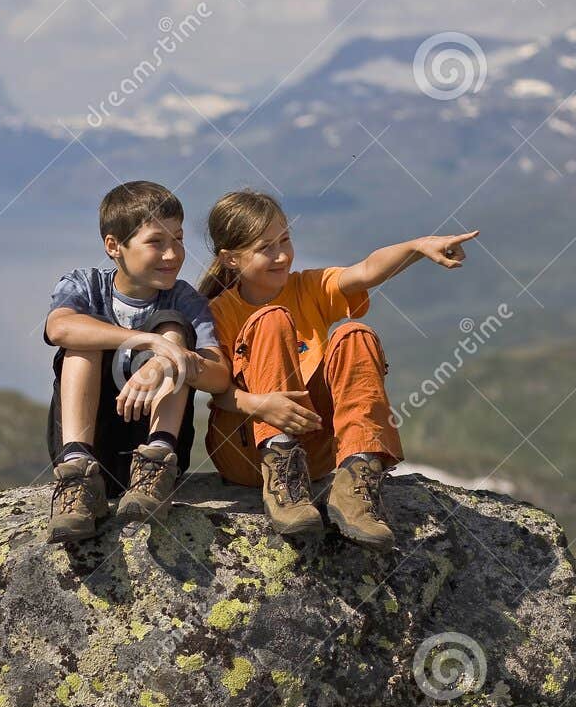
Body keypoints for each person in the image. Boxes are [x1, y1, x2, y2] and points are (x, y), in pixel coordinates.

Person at [198, 188, 479, 550]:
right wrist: (260, 405)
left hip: (313, 454)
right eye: (265, 247)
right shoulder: (218, 311)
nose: (282, 254)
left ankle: (356, 480)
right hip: (245, 451)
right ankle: (280, 471)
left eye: (285, 239)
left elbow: (365, 271)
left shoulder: (307, 287)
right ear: (231, 259)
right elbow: (215, 388)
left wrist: (417, 247)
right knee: (269, 319)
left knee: (355, 333)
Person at [44, 180, 231, 542]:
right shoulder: (85, 285)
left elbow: (220, 376)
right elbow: (59, 328)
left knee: (175, 327)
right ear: (114, 246)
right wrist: (147, 341)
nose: (173, 253)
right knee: (85, 339)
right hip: (93, 446)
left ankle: (155, 462)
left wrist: (168, 360)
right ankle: (78, 476)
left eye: (178, 239)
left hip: (152, 451)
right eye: (156, 242)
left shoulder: (185, 300)